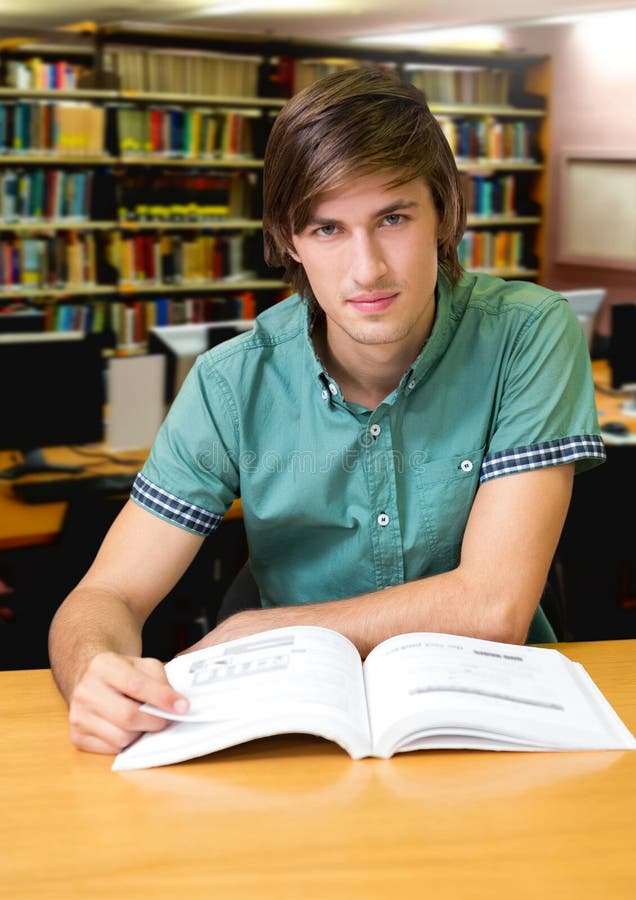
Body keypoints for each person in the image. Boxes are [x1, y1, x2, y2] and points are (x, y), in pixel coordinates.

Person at [49, 66, 605, 755]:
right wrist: (94, 672)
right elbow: (107, 595)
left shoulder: (527, 332)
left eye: (393, 219)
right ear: (289, 239)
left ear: (444, 215)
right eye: (327, 228)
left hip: (493, 719)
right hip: (291, 730)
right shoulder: (230, 383)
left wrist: (274, 628)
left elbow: (493, 605)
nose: (366, 268)